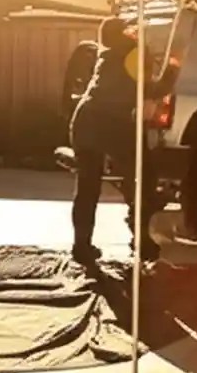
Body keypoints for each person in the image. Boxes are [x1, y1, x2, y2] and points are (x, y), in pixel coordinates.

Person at [69, 16, 177, 264]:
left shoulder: (107, 57)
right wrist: (173, 67)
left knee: (87, 188)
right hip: (109, 124)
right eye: (130, 29)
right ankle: (142, 240)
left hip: (85, 122)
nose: (135, 32)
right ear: (121, 35)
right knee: (145, 177)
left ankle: (81, 247)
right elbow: (154, 90)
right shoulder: (131, 54)